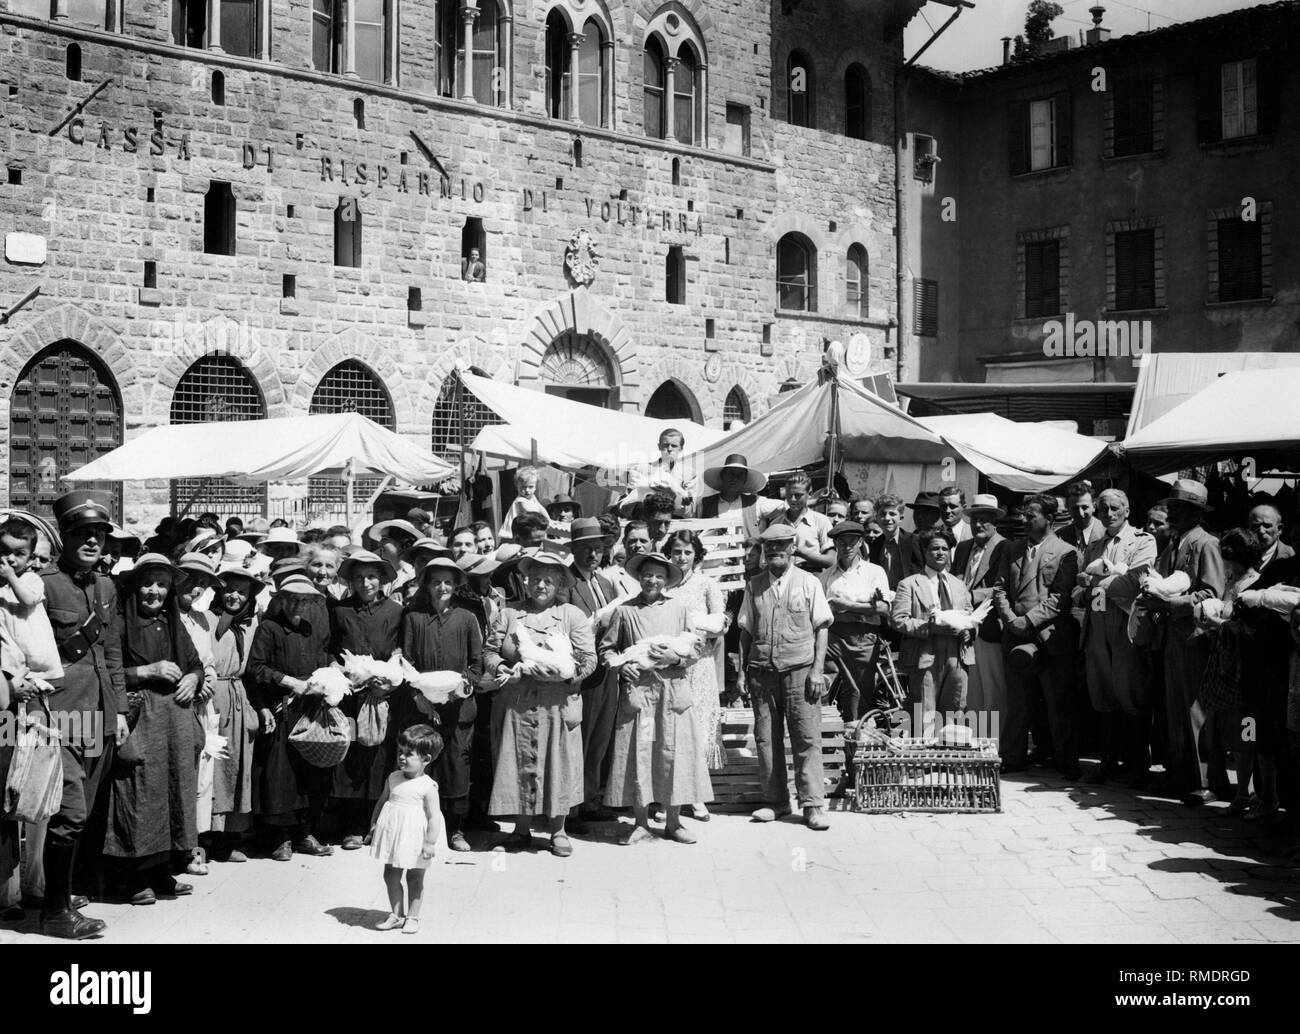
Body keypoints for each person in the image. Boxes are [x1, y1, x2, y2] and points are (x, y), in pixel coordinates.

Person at [38, 491, 128, 939]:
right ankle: (54, 911)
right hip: (58, 712)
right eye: (83, 534)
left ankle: (62, 896)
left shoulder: (106, 586)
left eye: (99, 534)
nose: (93, 542)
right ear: (64, 537)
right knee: (70, 812)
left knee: (83, 811)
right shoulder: (43, 583)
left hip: (98, 713)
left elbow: (110, 654)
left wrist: (120, 710)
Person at [106, 554, 204, 905]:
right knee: (140, 791)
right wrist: (147, 672)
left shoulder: (173, 623)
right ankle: (133, 877)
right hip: (139, 715)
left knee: (171, 790)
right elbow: (110, 670)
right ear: (136, 586)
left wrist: (193, 678)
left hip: (173, 719)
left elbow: (194, 665)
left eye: (162, 584)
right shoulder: (120, 623)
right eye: (148, 583)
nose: (155, 591)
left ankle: (162, 871)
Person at [484, 551, 595, 857]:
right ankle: (521, 829)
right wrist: (501, 668)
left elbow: (590, 660)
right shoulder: (509, 614)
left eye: (548, 580)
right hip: (517, 700)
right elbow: (490, 651)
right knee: (518, 761)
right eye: (535, 579)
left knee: (558, 762)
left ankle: (558, 830)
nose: (540, 585)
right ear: (525, 581)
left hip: (558, 702)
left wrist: (567, 674)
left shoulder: (571, 615)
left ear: (560, 583)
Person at [602, 552, 711, 844]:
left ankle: (674, 822)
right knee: (641, 751)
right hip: (641, 696)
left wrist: (676, 657)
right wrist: (621, 665)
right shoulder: (625, 611)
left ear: (666, 580)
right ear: (639, 577)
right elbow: (608, 649)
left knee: (671, 753)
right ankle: (641, 823)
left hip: (672, 695)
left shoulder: (679, 608)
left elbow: (696, 649)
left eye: (659, 576)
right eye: (648, 574)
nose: (653, 580)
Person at [739, 524, 834, 830]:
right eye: (770, 546)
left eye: (782, 545)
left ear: (793, 547)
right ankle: (776, 802)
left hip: (800, 670)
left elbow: (822, 627)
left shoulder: (809, 582)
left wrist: (818, 670)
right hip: (762, 671)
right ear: (764, 551)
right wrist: (743, 671)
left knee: (806, 737)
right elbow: (746, 631)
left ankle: (813, 805)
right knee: (766, 738)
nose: (776, 550)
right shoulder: (754, 585)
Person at [1142, 479, 1225, 806]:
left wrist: (1169, 604)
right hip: (1172, 638)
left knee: (1197, 711)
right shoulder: (1174, 542)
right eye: (1171, 508)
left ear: (1195, 513)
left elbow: (1212, 593)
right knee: (1174, 710)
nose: (1172, 514)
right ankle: (1181, 775)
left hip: (1195, 639)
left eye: (1179, 509)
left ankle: (1208, 780)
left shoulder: (1207, 544)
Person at [247, 573, 337, 860]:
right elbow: (256, 669)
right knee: (281, 774)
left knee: (310, 771)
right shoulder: (269, 629)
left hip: (311, 709)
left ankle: (305, 833)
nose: (299, 605)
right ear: (282, 600)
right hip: (283, 707)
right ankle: (280, 838)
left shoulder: (312, 629)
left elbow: (323, 658)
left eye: (305, 600)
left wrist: (331, 675)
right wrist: (288, 681)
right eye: (293, 599)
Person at [397, 557, 483, 853]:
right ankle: (419, 827)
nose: (442, 587)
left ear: (456, 584)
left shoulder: (467, 617)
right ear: (427, 585)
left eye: (448, 581)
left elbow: (476, 664)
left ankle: (455, 828)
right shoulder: (413, 617)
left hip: (458, 706)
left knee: (456, 765)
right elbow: (405, 663)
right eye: (436, 582)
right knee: (423, 762)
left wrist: (460, 689)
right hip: (422, 708)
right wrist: (419, 698)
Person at [994, 495, 1081, 779]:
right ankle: (1012, 757)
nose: (1023, 520)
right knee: (1017, 702)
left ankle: (1065, 760)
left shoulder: (1066, 552)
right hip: (1015, 636)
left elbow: (1060, 598)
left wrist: (1028, 621)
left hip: (1050, 639)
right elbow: (1000, 589)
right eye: (1023, 514)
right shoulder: (1012, 549)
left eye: (1031, 515)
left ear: (1049, 519)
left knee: (1058, 702)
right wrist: (1011, 620)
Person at [1076, 489, 1158, 786]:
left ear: (1126, 510)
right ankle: (1108, 761)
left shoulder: (1142, 540)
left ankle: (1138, 765)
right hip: (1097, 625)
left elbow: (1134, 582)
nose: (1108, 513)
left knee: (1131, 693)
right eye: (1103, 508)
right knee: (1103, 694)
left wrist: (1097, 581)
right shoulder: (1094, 545)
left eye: (1114, 508)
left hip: (1126, 625)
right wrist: (1092, 584)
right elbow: (1081, 584)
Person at [331, 550, 403, 851]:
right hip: (350, 695)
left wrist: (387, 680)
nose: (366, 583)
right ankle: (351, 826)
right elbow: (331, 649)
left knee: (378, 758)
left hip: (382, 694)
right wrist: (343, 673)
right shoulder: (340, 611)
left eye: (372, 576)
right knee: (351, 759)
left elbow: (401, 650)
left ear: (382, 579)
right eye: (359, 577)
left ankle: (376, 824)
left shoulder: (395, 612)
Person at [1197, 529, 1269, 818]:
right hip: (1229, 673)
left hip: (1247, 677)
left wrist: (1218, 624)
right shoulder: (1233, 581)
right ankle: (1242, 793)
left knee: (1248, 735)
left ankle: (1249, 794)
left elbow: (1250, 630)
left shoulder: (1255, 583)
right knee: (1237, 738)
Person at [820, 520, 890, 796]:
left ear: (861, 542)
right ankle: (831, 768)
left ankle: (857, 768)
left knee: (859, 701)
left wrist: (846, 606)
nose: (847, 546)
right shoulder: (826, 576)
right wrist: (862, 608)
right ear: (835, 544)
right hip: (833, 639)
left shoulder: (874, 572)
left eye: (852, 541)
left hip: (864, 640)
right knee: (826, 698)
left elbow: (883, 608)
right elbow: (824, 613)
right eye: (841, 541)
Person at [564, 518, 623, 829]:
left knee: (600, 737)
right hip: (581, 671)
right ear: (573, 549)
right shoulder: (567, 583)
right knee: (580, 738)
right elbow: (564, 628)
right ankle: (571, 808)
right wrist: (591, 622)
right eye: (585, 548)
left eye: (598, 549)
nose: (592, 554)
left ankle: (591, 799)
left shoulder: (607, 583)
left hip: (607, 670)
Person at [664, 530, 727, 821]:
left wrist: (709, 636)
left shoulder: (706, 583)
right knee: (671, 730)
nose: (682, 557)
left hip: (700, 667)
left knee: (698, 727)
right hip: (670, 665)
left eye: (688, 552)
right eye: (677, 552)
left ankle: (698, 797)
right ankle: (669, 798)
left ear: (696, 555)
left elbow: (721, 623)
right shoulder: (665, 584)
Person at [892, 526, 975, 740]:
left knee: (955, 706)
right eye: (935, 548)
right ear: (925, 552)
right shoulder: (909, 584)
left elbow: (971, 616)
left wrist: (969, 631)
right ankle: (925, 758)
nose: (940, 553)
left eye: (945, 549)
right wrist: (930, 628)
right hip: (925, 652)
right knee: (925, 709)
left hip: (956, 654)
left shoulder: (958, 585)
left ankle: (948, 756)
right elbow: (898, 620)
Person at [206, 558, 261, 863]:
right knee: (216, 766)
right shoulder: (208, 620)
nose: (234, 597)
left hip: (240, 696)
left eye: (242, 592)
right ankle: (211, 834)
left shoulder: (252, 624)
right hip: (216, 697)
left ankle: (233, 834)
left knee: (240, 766)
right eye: (229, 590)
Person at [369, 724, 446, 934]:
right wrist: (374, 825)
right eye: (400, 752)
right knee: (390, 875)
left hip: (416, 839)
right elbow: (382, 802)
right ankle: (396, 914)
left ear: (426, 759)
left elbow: (433, 817)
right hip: (394, 835)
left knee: (415, 878)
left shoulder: (427, 787)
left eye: (408, 754)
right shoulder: (393, 778)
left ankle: (413, 916)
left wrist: (429, 843)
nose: (402, 757)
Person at [172, 553, 220, 875]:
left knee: (203, 779)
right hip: (180, 703)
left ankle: (194, 846)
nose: (197, 588)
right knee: (180, 777)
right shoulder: (168, 615)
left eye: (202, 583)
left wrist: (210, 681)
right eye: (190, 580)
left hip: (204, 706)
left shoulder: (203, 620)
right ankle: (176, 848)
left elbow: (209, 661)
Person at [954, 496, 1009, 723]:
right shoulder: (963, 547)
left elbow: (1003, 587)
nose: (978, 525)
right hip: (963, 626)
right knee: (971, 689)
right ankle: (977, 742)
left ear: (995, 522)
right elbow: (956, 579)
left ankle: (997, 745)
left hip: (989, 627)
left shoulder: (1005, 547)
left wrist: (970, 596)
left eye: (984, 519)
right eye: (975, 519)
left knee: (993, 687)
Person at [699, 453, 785, 540]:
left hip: (746, 553)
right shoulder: (704, 504)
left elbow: (788, 506)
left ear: (745, 479)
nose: (735, 478)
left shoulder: (756, 503)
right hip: (713, 553)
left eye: (740, 475)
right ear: (722, 475)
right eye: (730, 473)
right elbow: (686, 512)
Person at [619, 428, 696, 517]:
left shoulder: (689, 474)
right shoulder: (640, 469)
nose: (669, 449)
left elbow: (690, 512)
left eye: (674, 446)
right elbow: (624, 507)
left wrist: (673, 496)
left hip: (674, 525)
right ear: (659, 446)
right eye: (665, 445)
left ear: (681, 448)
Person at [773, 470, 834, 572]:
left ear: (809, 494)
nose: (792, 500)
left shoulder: (821, 521)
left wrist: (802, 554)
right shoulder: (776, 524)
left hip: (811, 579)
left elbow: (831, 560)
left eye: (798, 495)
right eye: (789, 495)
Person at [870, 493, 924, 590]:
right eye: (882, 514)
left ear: (901, 518)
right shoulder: (876, 544)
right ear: (876, 518)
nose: (887, 518)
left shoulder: (914, 541)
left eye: (892, 514)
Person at [498, 466, 550, 541]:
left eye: (530, 487)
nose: (527, 490)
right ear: (517, 487)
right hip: (512, 532)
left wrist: (548, 520)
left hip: (524, 527)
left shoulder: (532, 497)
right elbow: (530, 512)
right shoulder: (520, 500)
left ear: (535, 487)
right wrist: (542, 521)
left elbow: (540, 508)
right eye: (523, 487)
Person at [1058, 480, 1104, 558]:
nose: (1080, 513)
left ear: (1094, 506)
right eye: (1075, 508)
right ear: (1068, 508)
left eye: (1085, 507)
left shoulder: (1107, 533)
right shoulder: (1059, 536)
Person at [606, 520, 652, 596]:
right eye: (633, 541)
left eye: (643, 541)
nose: (638, 545)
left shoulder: (662, 574)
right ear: (624, 543)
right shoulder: (609, 576)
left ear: (651, 544)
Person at [1249, 504, 1294, 576]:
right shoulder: (1237, 555)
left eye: (1267, 525)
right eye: (1256, 525)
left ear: (1279, 529)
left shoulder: (1291, 556)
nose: (1261, 531)